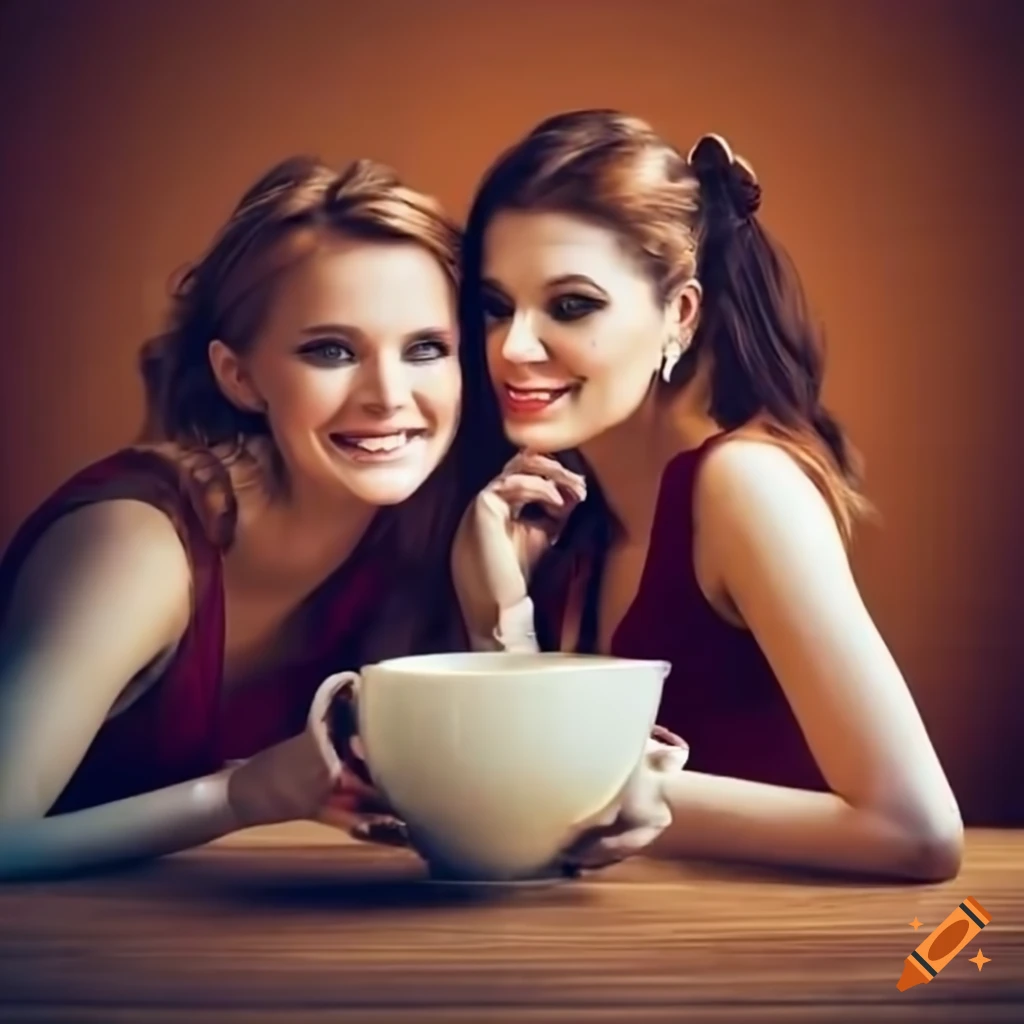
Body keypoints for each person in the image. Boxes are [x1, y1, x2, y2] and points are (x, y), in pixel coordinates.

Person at [452, 110, 963, 880]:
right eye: (497, 307)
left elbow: (918, 830)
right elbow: (527, 824)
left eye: (571, 305)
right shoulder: (571, 522)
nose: (513, 348)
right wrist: (500, 614)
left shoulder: (742, 486)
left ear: (679, 315)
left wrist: (621, 794)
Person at [0, 155, 470, 880]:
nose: (387, 394)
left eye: (427, 349)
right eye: (332, 350)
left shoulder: (435, 529)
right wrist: (239, 796)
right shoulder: (135, 545)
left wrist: (501, 602)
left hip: (237, 958)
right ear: (239, 376)